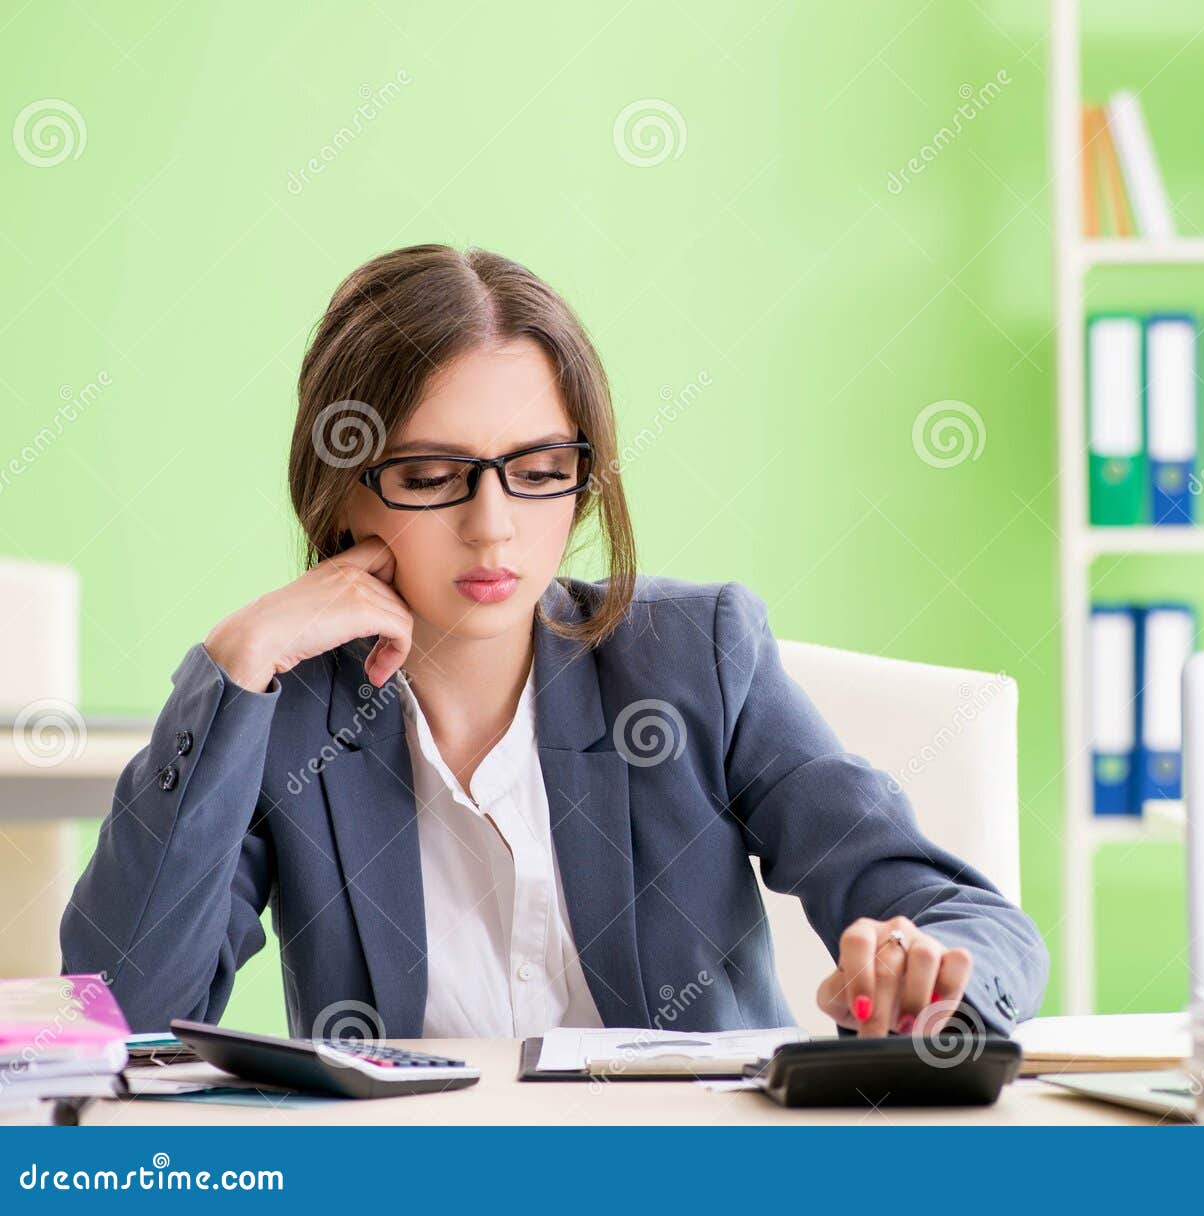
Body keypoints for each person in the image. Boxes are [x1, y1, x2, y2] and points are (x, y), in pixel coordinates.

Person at [60, 244, 1048, 1043]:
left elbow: (972, 922)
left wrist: (932, 979)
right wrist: (235, 661)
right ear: (344, 491)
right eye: (431, 475)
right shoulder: (285, 717)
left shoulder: (695, 658)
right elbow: (121, 1010)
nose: (492, 527)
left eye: (537, 470)